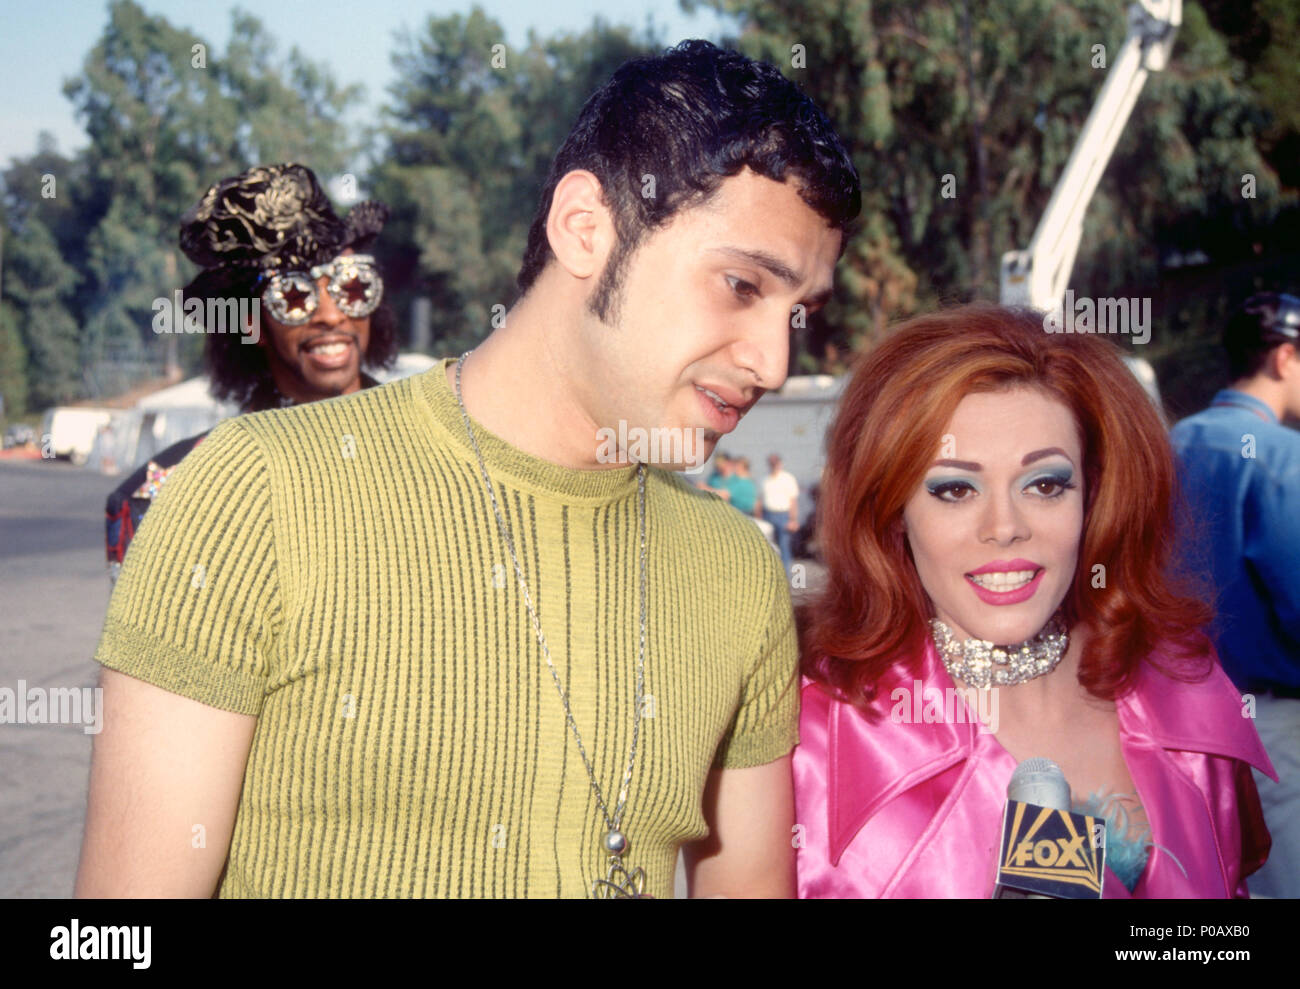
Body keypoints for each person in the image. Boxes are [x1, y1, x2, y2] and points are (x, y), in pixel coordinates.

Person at [77, 40, 860, 898]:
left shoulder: (739, 567)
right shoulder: (255, 493)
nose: (774, 362)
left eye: (800, 313)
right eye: (743, 285)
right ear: (585, 229)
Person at [793, 304, 1274, 898]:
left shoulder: (1186, 692)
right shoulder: (813, 737)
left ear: (1095, 495)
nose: (1004, 527)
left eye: (1045, 484)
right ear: (893, 511)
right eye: (954, 488)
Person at [104, 163, 398, 583]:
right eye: (294, 296)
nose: (331, 316)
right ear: (250, 323)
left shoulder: (449, 457)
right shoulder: (171, 494)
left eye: (351, 286)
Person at [1169, 291, 1300, 898]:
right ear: (1284, 358)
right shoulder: (1283, 457)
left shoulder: (1164, 446)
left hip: (1168, 717)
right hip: (1270, 724)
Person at [761, 452, 800, 571]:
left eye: (775, 462)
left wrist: (793, 520)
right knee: (768, 547)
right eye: (771, 463)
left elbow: (793, 501)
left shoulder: (788, 478)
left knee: (784, 547)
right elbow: (759, 500)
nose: (773, 465)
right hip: (767, 515)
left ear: (780, 463)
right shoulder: (764, 479)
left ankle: (785, 576)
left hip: (783, 516)